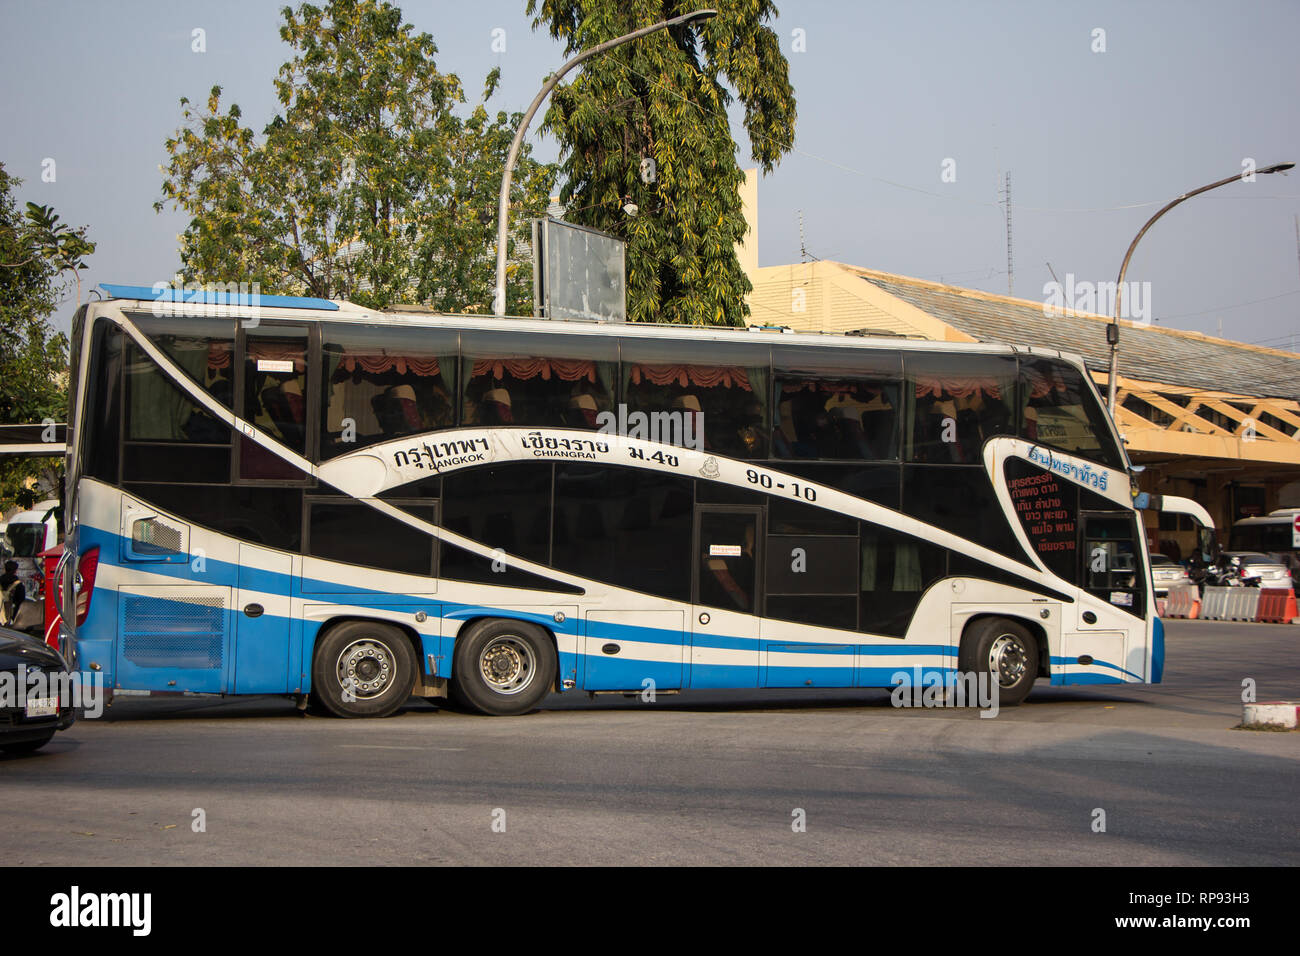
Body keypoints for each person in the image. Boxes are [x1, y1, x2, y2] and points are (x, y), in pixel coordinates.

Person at [1, 560, 26, 627]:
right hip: (10, 615)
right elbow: (21, 601)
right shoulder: (18, 585)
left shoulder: (1, 580)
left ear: (5, 569)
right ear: (15, 571)